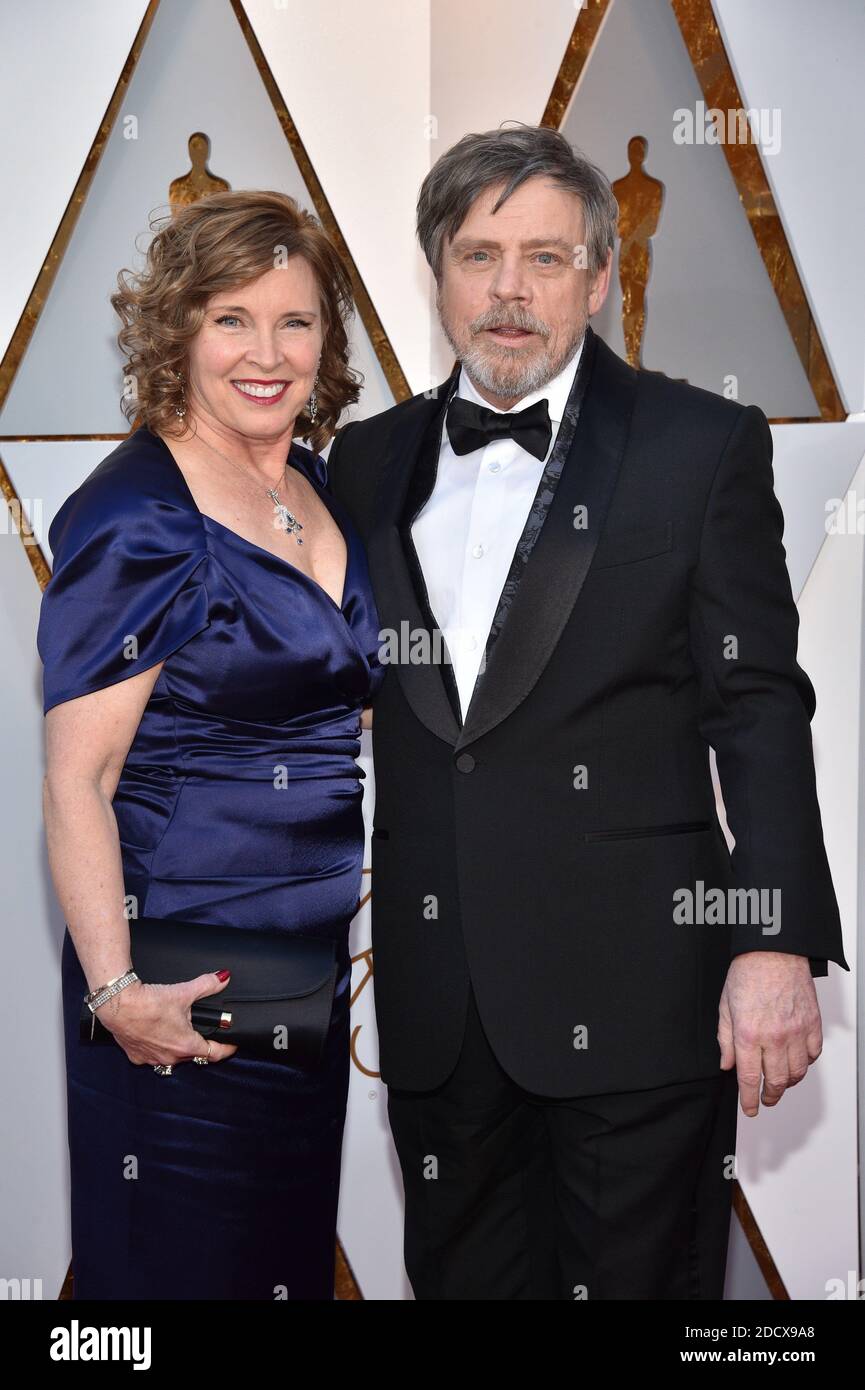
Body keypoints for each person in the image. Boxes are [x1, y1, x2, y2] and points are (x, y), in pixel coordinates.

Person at [326, 123, 850, 1300]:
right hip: (438, 1013)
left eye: (547, 258)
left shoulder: (698, 444)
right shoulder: (364, 461)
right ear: (436, 269)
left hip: (640, 1000)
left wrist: (771, 940)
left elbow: (757, 700)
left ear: (601, 277)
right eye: (479, 255)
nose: (509, 291)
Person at [37, 189, 382, 1300]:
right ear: (176, 328)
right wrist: (115, 990)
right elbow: (75, 779)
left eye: (295, 321)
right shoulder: (139, 512)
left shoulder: (308, 484)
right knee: (171, 1277)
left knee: (274, 1269)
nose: (266, 352)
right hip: (176, 983)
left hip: (302, 982)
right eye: (232, 318)